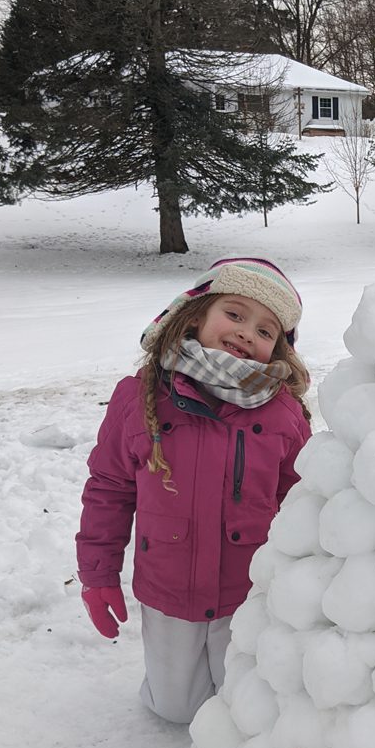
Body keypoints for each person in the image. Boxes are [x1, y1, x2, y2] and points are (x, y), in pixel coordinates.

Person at [76, 257, 312, 723]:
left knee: (241, 705)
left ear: (278, 351)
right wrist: (98, 575)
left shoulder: (283, 413)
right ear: (195, 314)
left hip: (246, 591)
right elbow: (109, 488)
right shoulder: (139, 396)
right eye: (235, 313)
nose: (248, 332)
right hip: (170, 587)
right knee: (176, 709)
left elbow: (301, 502)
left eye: (267, 331)